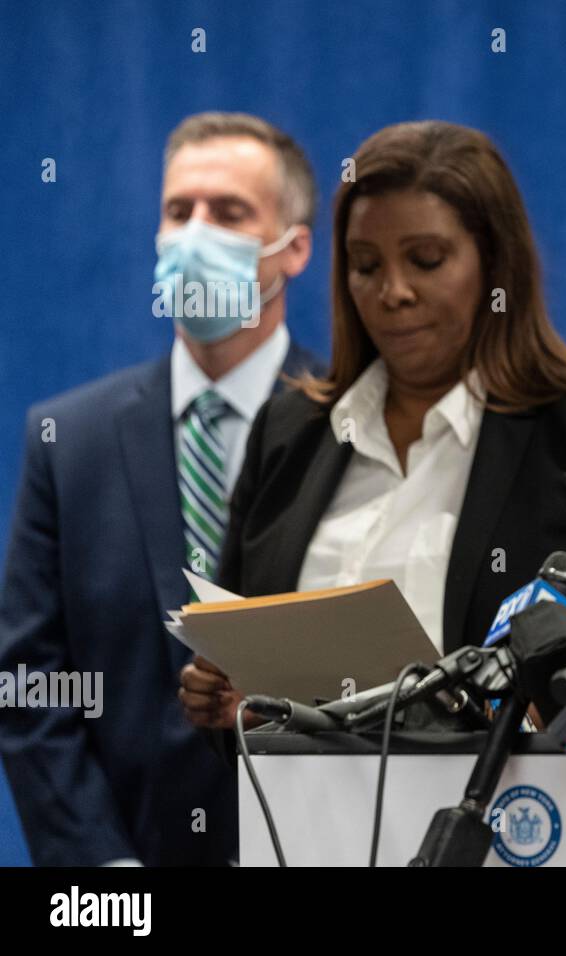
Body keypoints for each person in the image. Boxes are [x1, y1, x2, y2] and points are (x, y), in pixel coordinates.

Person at [178, 121, 566, 732]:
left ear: (495, 265)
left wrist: (549, 712)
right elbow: (236, 669)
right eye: (364, 265)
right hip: (297, 821)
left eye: (426, 260)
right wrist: (223, 701)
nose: (393, 291)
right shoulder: (289, 430)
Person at [0, 112, 322, 865]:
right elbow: (28, 683)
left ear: (294, 248)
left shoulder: (349, 425)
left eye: (230, 213)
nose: (194, 235)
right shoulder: (67, 441)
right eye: (179, 212)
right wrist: (106, 872)